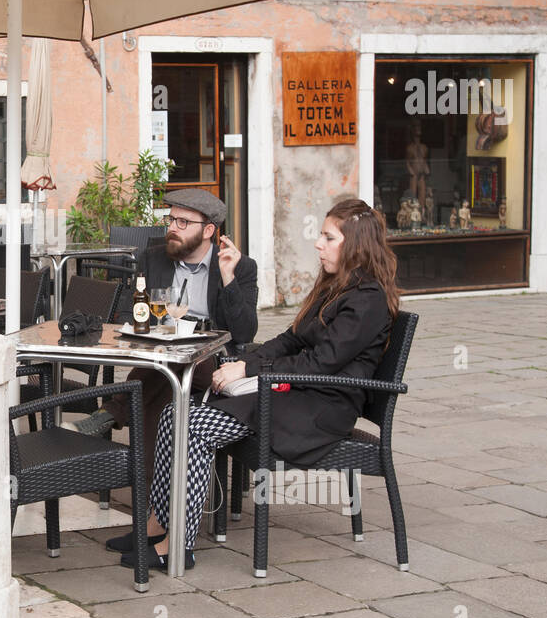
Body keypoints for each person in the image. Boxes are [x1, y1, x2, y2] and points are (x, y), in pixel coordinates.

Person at [114, 197, 399, 572]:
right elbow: (291, 340)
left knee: (195, 427)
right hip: (295, 394)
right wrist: (245, 363)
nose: (318, 244)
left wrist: (249, 373)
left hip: (320, 409)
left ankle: (177, 544)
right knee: (175, 412)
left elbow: (320, 362)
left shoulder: (368, 299)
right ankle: (157, 524)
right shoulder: (336, 287)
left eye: (328, 238)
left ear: (356, 245)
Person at [98, 189, 258, 483]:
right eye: (170, 219)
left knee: (166, 368)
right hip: (164, 352)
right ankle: (157, 493)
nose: (172, 228)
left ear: (208, 230)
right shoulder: (154, 258)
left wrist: (228, 277)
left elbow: (246, 332)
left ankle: (113, 411)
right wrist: (147, 318)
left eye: (183, 222)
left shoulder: (241, 266)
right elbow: (129, 312)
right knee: (164, 377)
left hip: (216, 361)